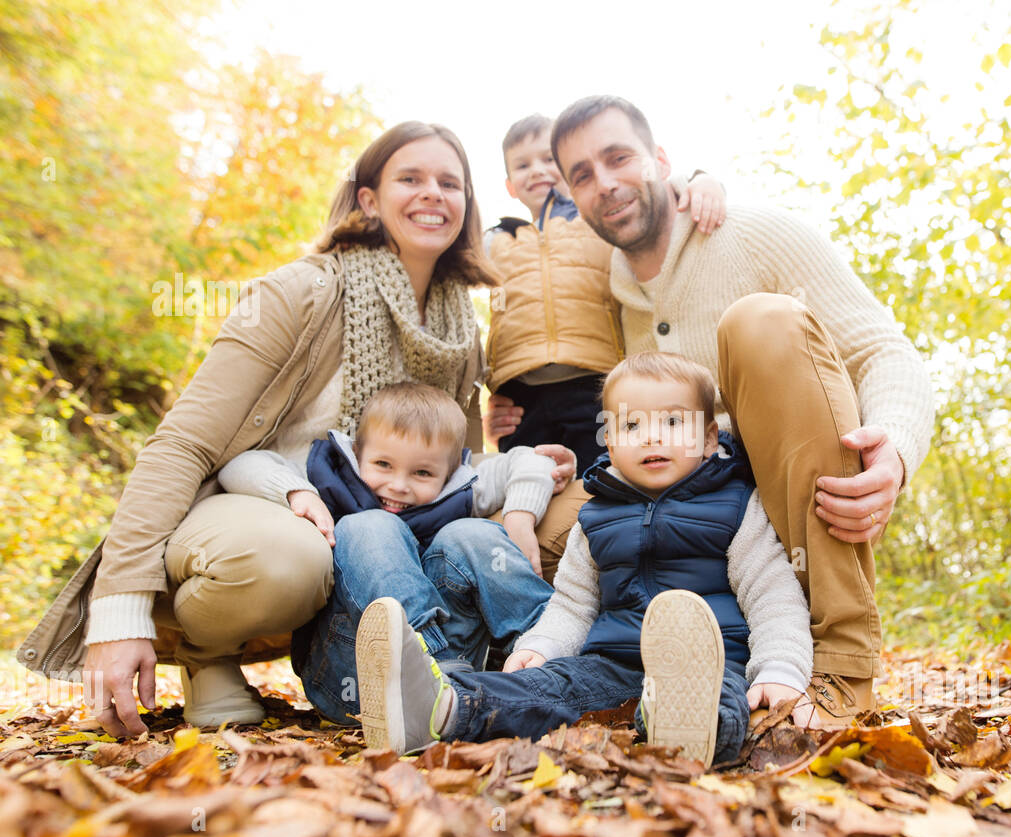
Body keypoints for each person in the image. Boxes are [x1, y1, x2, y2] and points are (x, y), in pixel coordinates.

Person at [18, 121, 582, 735]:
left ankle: (548, 662)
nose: (433, 194)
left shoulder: (456, 328)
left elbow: (454, 469)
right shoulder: (300, 292)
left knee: (574, 511)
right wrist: (118, 609)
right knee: (291, 556)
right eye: (411, 178)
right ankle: (211, 658)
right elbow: (184, 442)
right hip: (267, 506)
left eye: (451, 183)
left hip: (398, 534)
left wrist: (522, 480)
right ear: (368, 198)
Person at [488, 95, 936, 726]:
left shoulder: (756, 233)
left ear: (662, 161)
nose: (606, 183)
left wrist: (895, 442)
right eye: (582, 174)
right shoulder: (607, 291)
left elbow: (882, 349)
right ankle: (570, 670)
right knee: (526, 521)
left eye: (619, 158)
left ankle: (838, 667)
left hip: (790, 482)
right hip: (687, 508)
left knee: (761, 322)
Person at [355, 353, 816, 765]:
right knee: (544, 687)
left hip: (714, 661)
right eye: (632, 426)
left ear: (710, 437)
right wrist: (541, 646)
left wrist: (779, 668)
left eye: (673, 423)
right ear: (610, 441)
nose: (651, 437)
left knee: (719, 702)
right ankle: (438, 707)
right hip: (611, 664)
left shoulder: (735, 505)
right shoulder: (597, 515)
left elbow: (773, 596)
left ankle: (682, 725)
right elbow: (574, 603)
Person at [218, 381, 561, 724]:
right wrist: (296, 492)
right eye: (383, 464)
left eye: (422, 472)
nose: (398, 485)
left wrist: (520, 515)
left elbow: (532, 460)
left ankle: (547, 649)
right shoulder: (330, 478)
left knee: (471, 533)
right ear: (357, 453)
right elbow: (241, 463)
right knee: (368, 526)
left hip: (462, 681)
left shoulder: (462, 488)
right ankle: (424, 668)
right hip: (352, 674)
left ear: (450, 471)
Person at [484, 113, 726, 473]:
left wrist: (704, 181)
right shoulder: (496, 240)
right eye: (523, 165)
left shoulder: (594, 223)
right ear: (509, 186)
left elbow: (658, 198)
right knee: (527, 479)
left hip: (592, 379)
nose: (536, 171)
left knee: (602, 474)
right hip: (522, 392)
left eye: (548, 160)